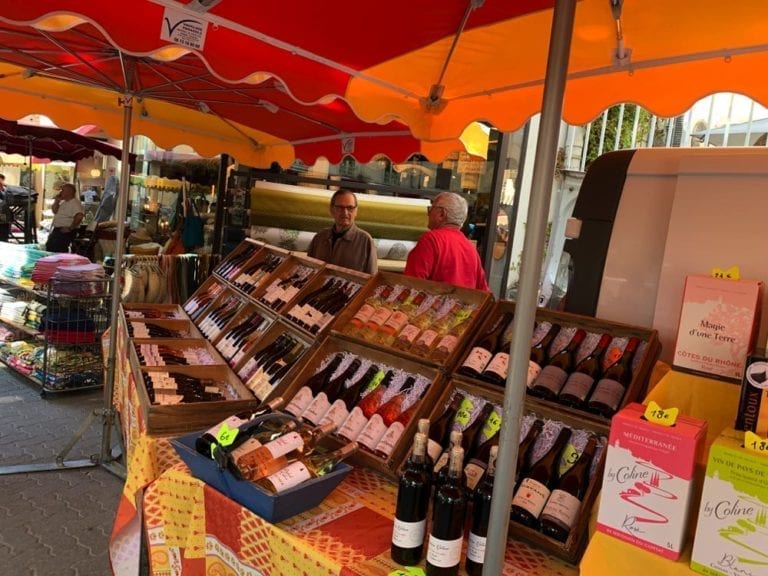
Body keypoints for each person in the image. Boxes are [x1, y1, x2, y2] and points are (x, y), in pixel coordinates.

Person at [404, 191, 489, 291]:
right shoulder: (470, 248)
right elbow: (484, 293)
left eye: (430, 209)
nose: (428, 214)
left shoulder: (431, 240)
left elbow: (411, 284)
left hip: (433, 305)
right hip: (461, 306)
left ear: (441, 214)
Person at [307, 188, 377, 274]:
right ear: (331, 210)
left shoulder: (365, 241)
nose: (345, 212)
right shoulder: (319, 237)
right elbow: (308, 270)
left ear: (356, 211)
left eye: (350, 208)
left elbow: (372, 278)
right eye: (340, 207)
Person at [46, 183, 84, 253]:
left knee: (58, 248)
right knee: (50, 246)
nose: (61, 192)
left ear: (69, 192)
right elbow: (54, 211)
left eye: (63, 190)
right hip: (57, 229)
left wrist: (70, 228)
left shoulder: (75, 203)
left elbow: (79, 216)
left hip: (65, 230)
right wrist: (57, 201)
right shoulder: (64, 202)